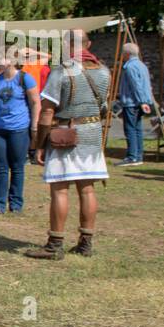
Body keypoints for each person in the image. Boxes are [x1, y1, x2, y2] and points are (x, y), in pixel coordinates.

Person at [26, 31, 111, 259]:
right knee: (87, 188)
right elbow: (103, 107)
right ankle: (86, 242)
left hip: (66, 134)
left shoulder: (61, 71)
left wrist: (40, 144)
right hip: (92, 134)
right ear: (88, 44)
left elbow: (47, 112)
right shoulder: (104, 71)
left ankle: (55, 244)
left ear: (65, 45)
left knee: (59, 189)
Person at [0, 51, 39, 214]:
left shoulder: (25, 78)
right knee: (1, 167)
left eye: (2, 57)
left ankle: (15, 204)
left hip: (19, 129)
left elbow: (35, 102)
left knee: (17, 167)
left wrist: (34, 126)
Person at [115, 41, 154, 166]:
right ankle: (138, 155)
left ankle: (132, 156)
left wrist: (142, 101)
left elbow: (136, 85)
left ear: (127, 54)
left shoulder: (130, 67)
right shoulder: (142, 65)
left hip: (132, 102)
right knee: (137, 129)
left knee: (130, 129)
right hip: (140, 100)